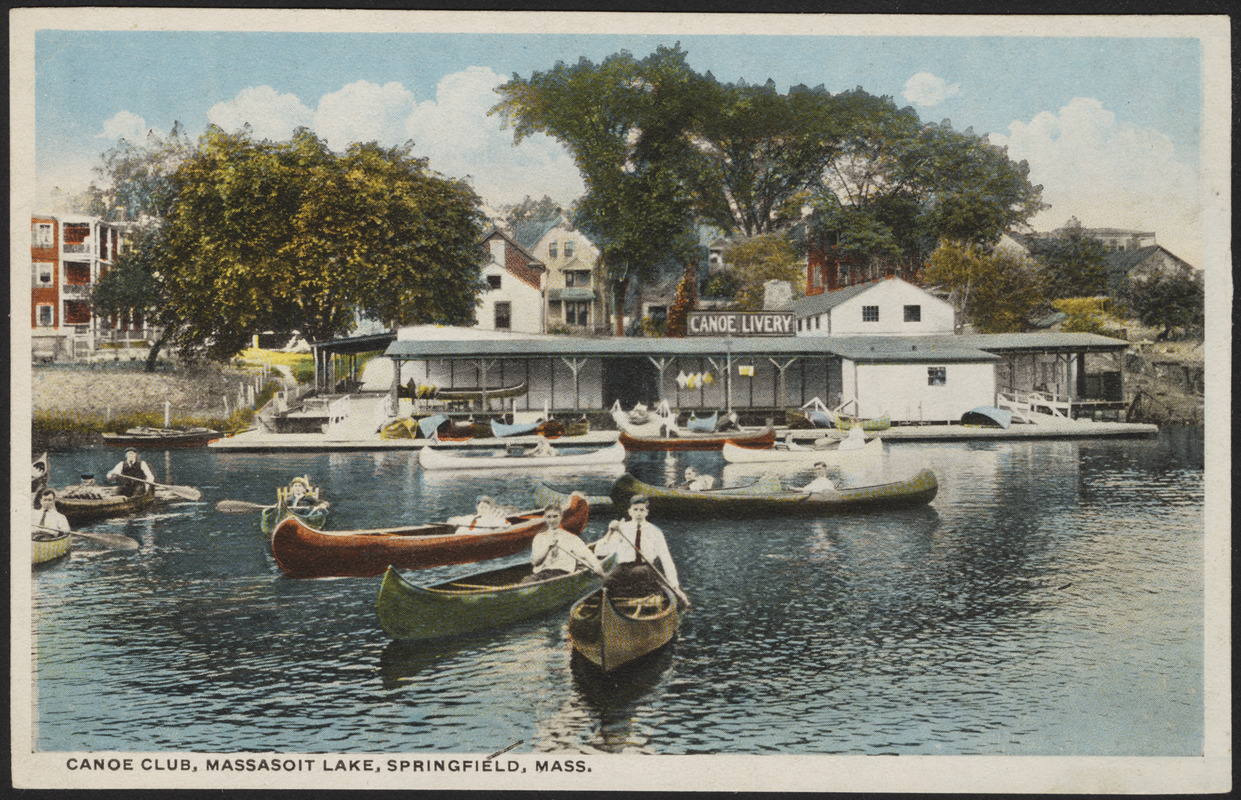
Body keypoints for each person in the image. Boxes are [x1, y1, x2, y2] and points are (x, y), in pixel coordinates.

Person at [594, 494, 681, 598]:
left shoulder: (655, 531)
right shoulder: (621, 528)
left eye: (642, 510)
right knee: (606, 582)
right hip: (623, 568)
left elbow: (666, 560)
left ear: (646, 512)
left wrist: (675, 586)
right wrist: (609, 532)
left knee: (639, 573)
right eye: (635, 509)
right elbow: (600, 552)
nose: (638, 513)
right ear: (629, 511)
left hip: (645, 569)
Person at [525, 505, 605, 582]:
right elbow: (536, 563)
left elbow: (587, 555)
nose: (552, 520)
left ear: (561, 517)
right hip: (541, 573)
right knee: (526, 580)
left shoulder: (570, 537)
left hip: (561, 573)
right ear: (545, 518)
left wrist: (597, 566)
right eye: (549, 517)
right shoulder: (539, 538)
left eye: (555, 516)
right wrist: (548, 548)